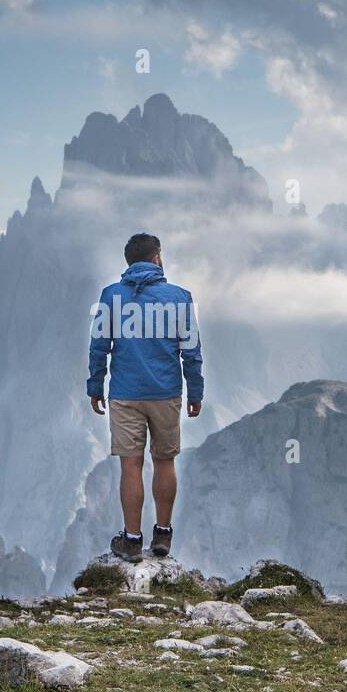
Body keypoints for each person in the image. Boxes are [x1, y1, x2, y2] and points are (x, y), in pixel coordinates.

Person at [87, 232, 203, 562]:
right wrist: (196, 390)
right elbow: (191, 351)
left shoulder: (110, 296)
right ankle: (163, 535)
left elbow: (99, 347)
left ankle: (132, 539)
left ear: (129, 263)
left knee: (131, 466)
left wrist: (95, 386)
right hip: (166, 393)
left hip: (125, 394)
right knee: (165, 462)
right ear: (157, 258)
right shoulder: (180, 297)